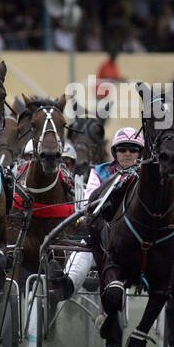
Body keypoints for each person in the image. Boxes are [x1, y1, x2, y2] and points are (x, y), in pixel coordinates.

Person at [55, 127, 144, 305]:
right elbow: (91, 203)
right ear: (114, 152)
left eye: (133, 149)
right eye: (122, 149)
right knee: (86, 246)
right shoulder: (99, 172)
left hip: (138, 239)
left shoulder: (148, 176)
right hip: (103, 235)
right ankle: (68, 284)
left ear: (140, 153)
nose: (127, 153)